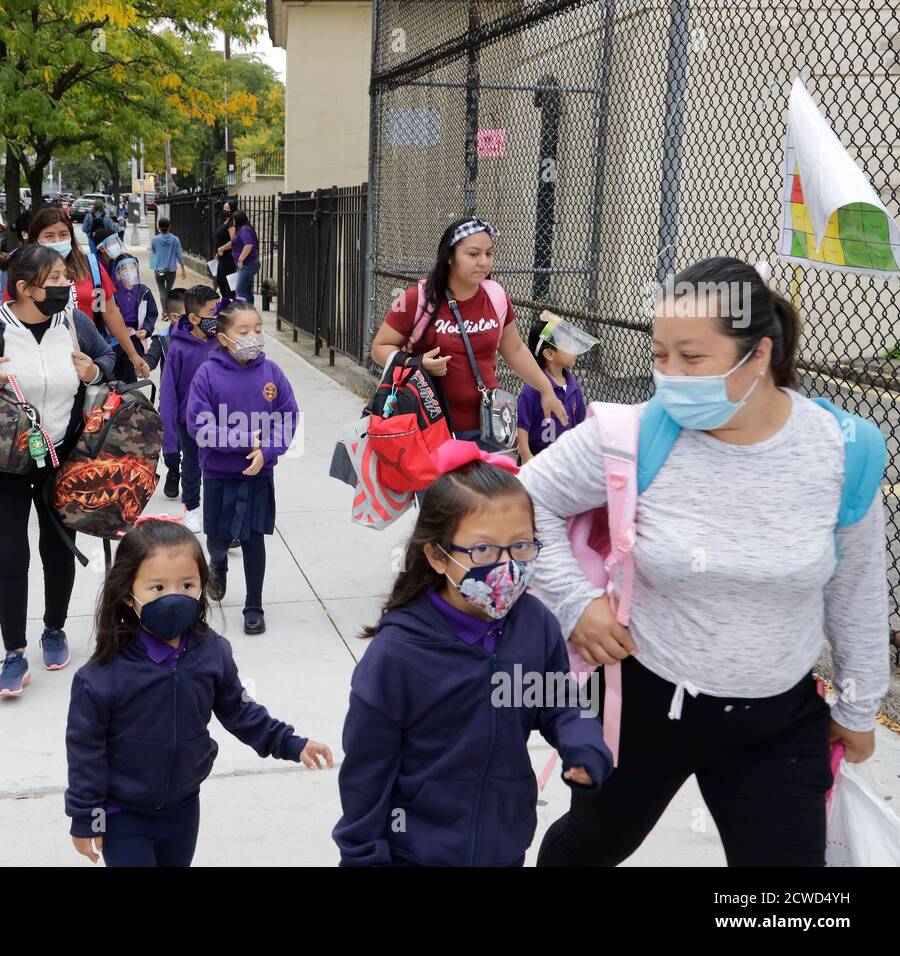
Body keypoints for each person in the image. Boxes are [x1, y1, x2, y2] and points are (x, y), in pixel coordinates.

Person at [520, 256, 890, 867]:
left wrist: (856, 705)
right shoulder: (635, 435)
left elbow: (856, 590)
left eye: (691, 359)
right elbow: (524, 502)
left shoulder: (841, 452)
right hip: (643, 701)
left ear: (760, 354)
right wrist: (576, 603)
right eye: (660, 355)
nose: (669, 377)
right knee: (582, 852)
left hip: (778, 723)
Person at [333, 443, 611, 866]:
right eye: (483, 551)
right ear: (437, 555)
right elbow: (366, 776)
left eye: (521, 547)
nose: (507, 566)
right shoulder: (397, 656)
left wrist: (584, 743)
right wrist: (363, 856)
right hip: (416, 854)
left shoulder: (535, 625)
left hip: (505, 845)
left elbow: (558, 701)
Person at [65, 519, 333, 867]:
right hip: (124, 813)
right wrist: (87, 817)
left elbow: (240, 711)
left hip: (184, 805)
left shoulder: (212, 653)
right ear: (127, 594)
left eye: (187, 585)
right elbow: (86, 750)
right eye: (157, 587)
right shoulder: (102, 675)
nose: (173, 597)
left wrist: (291, 743)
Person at [0, 245, 117, 694]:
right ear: (25, 289)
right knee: (12, 558)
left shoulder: (73, 323)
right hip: (3, 466)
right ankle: (14, 652)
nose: (65, 286)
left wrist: (94, 370)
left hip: (62, 460)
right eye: (54, 280)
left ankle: (54, 630)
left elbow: (108, 360)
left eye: (65, 277)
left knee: (59, 551)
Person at [369, 217, 569, 449]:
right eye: (474, 254)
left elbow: (514, 350)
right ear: (450, 257)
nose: (483, 262)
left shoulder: (496, 297)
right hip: (430, 425)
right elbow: (379, 348)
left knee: (487, 486)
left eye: (489, 254)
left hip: (488, 428)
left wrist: (546, 390)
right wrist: (418, 362)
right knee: (440, 487)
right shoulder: (418, 299)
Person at [185, 302, 299, 634]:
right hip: (219, 473)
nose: (254, 337)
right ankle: (218, 562)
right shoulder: (207, 374)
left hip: (259, 473)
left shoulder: (272, 373)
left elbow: (288, 417)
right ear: (223, 338)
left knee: (253, 539)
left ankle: (254, 604)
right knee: (218, 538)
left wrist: (267, 450)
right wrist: (244, 439)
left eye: (259, 330)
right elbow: (199, 425)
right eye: (244, 331)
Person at [9, 207, 149, 380]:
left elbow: (110, 312)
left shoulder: (90, 266)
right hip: (41, 363)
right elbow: (10, 316)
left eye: (63, 234)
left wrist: (133, 355)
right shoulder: (23, 272)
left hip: (88, 362)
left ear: (71, 236)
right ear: (36, 239)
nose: (57, 240)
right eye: (49, 236)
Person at [160, 285, 221, 522]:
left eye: (218, 312)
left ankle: (219, 515)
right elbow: (168, 392)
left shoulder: (222, 343)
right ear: (194, 318)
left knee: (219, 468)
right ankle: (192, 508)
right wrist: (170, 436)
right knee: (193, 466)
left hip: (221, 419)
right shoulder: (178, 347)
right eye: (211, 313)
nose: (216, 319)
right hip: (189, 421)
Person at [517, 319, 590, 461]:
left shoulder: (573, 387)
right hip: (537, 455)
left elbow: (581, 423)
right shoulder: (534, 387)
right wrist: (526, 455)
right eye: (568, 344)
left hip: (565, 455)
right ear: (549, 354)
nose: (575, 348)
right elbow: (522, 424)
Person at [108, 255, 158, 386]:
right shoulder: (111, 292)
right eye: (124, 268)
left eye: (132, 267)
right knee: (112, 371)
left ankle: (129, 397)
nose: (128, 271)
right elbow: (103, 315)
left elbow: (152, 314)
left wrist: (146, 329)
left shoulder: (144, 291)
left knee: (130, 370)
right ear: (117, 272)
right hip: (115, 338)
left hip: (135, 337)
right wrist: (110, 330)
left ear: (137, 268)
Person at [150, 217, 187, 304]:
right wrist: (183, 269)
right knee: (168, 291)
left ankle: (165, 313)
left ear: (158, 227)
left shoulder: (155, 239)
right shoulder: (175, 240)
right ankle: (167, 311)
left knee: (162, 291)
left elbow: (153, 254)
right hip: (171, 271)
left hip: (159, 270)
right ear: (169, 227)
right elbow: (179, 255)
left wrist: (153, 267)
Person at [229, 210, 260, 304]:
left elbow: (248, 245)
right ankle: (249, 310)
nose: (233, 221)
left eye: (234, 219)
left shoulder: (244, 230)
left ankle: (244, 312)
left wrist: (240, 259)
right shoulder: (243, 229)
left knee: (240, 289)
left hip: (247, 264)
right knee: (246, 289)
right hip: (248, 263)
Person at [212, 200, 237, 301]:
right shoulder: (225, 222)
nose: (225, 211)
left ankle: (229, 305)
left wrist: (221, 248)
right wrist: (218, 252)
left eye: (228, 209)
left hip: (228, 258)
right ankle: (226, 303)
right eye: (224, 209)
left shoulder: (231, 224)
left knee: (227, 283)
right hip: (222, 257)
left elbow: (233, 241)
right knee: (220, 281)